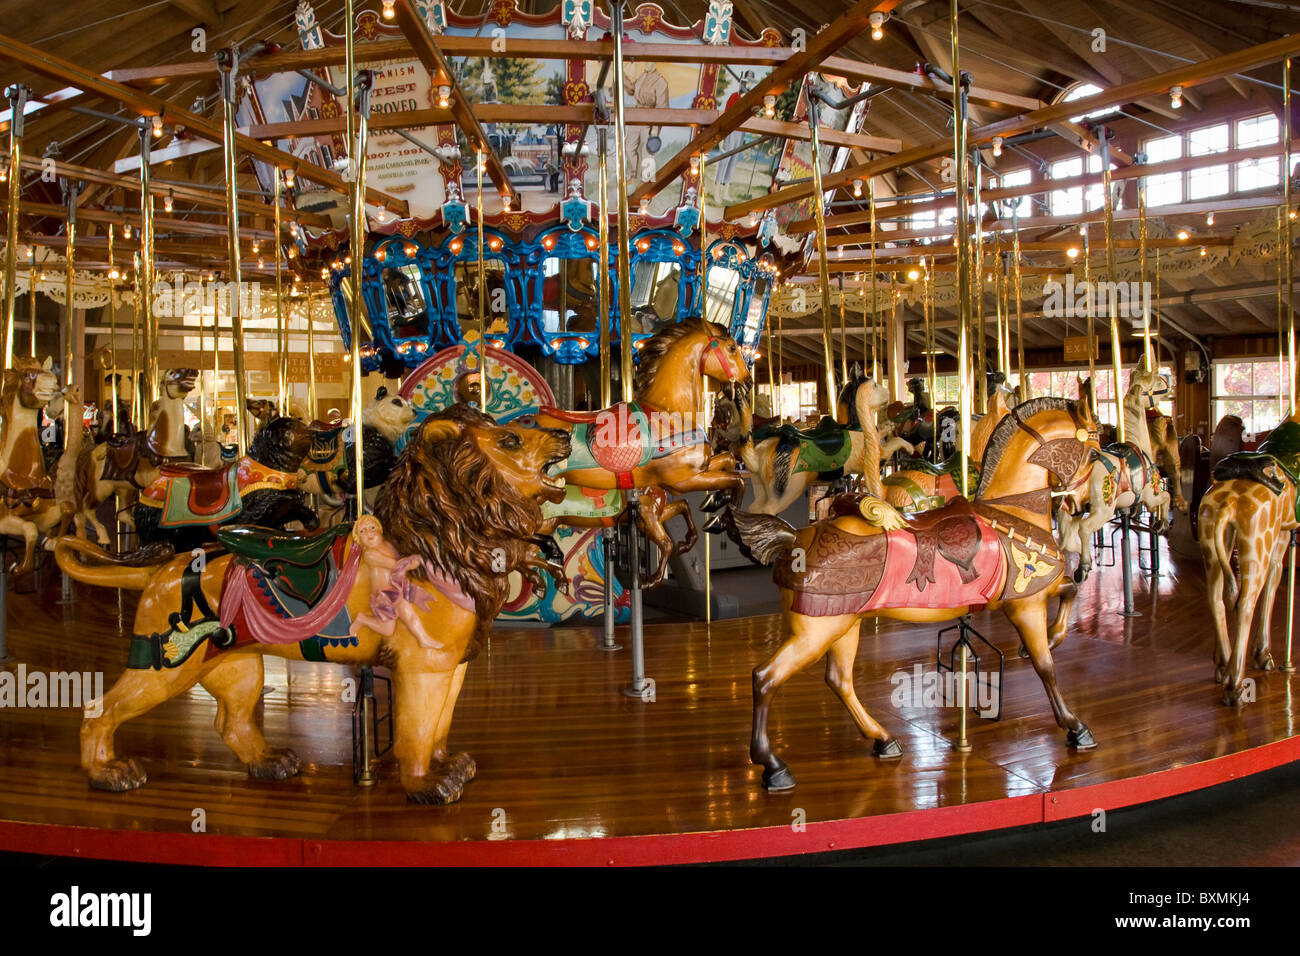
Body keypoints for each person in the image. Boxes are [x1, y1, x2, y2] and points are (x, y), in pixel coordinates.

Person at [348, 515, 444, 651]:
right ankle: (363, 619)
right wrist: (411, 563)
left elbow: (400, 561)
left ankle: (423, 639)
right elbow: (394, 565)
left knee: (410, 615)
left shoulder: (388, 545)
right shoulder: (370, 554)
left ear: (380, 530)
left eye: (372, 528)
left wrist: (413, 559)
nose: (369, 533)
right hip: (384, 597)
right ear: (359, 539)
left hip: (396, 591)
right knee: (387, 630)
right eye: (362, 531)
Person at [624, 62, 669, 181]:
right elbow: (632, 90)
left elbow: (662, 107)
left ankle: (647, 179)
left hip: (650, 118)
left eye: (648, 62)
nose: (645, 64)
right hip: (637, 115)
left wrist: (655, 127)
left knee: (647, 150)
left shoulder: (660, 82)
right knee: (628, 147)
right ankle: (633, 174)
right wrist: (621, 76)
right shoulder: (643, 76)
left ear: (654, 63)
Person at [714, 71, 753, 189]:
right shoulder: (734, 97)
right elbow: (728, 112)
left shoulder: (751, 98)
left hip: (741, 131)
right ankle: (717, 183)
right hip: (731, 130)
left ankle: (726, 185)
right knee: (726, 154)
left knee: (734, 158)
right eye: (746, 80)